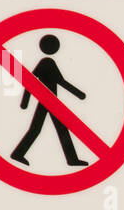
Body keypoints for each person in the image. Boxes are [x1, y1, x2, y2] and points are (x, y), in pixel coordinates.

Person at [10, 34, 88, 167]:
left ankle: (19, 153)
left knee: (47, 129)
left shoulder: (48, 63)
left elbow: (59, 81)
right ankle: (18, 154)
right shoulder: (46, 63)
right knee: (44, 129)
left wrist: (79, 94)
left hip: (51, 102)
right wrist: (24, 103)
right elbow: (31, 82)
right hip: (47, 102)